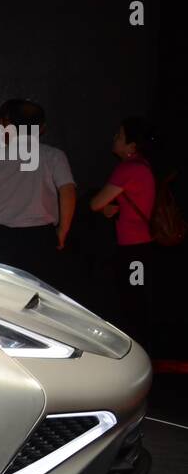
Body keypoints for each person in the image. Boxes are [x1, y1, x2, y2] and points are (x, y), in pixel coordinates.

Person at [0, 99, 76, 290]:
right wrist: (63, 230)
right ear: (42, 128)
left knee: (6, 296)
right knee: (43, 297)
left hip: (3, 240)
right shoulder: (54, 156)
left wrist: (2, 204)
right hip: (41, 238)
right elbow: (67, 192)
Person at [89, 116, 157, 347]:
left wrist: (105, 206)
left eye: (119, 135)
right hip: (140, 247)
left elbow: (96, 203)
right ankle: (142, 347)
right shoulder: (143, 166)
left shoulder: (128, 168)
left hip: (134, 250)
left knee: (134, 300)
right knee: (136, 298)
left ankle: (139, 350)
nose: (114, 139)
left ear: (132, 145)